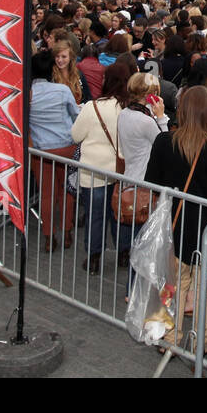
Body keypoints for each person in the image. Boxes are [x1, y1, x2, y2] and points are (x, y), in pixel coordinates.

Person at [144, 86, 207, 351]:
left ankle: (170, 339)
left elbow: (152, 181)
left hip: (176, 222)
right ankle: (200, 342)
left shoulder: (164, 142)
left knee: (174, 283)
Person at [70, 63, 130, 273]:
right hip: (119, 171)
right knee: (118, 214)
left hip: (92, 171)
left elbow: (75, 135)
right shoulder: (127, 108)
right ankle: (124, 252)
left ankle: (94, 257)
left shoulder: (92, 107)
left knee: (95, 215)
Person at [27, 49, 81, 252]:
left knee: (47, 195)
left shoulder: (28, 93)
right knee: (66, 192)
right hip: (66, 147)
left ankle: (49, 237)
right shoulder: (62, 90)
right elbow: (75, 115)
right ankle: (67, 232)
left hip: (42, 151)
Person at [113, 71, 168, 264]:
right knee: (141, 230)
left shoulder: (124, 114)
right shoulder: (146, 121)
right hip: (144, 181)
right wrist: (161, 117)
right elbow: (164, 144)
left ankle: (124, 254)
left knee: (131, 224)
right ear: (150, 95)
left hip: (129, 175)